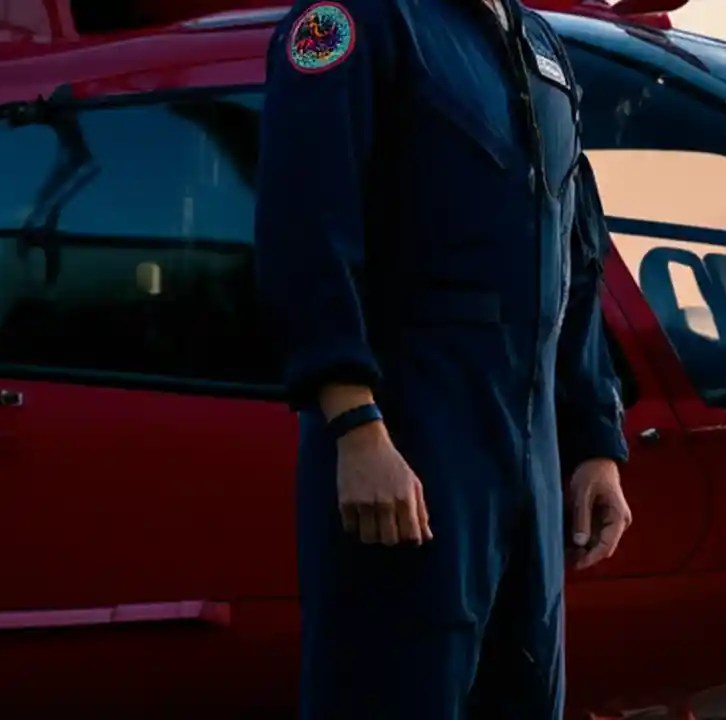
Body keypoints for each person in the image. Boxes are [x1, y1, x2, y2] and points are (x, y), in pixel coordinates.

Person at [253, 1, 633, 717]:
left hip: (531, 471)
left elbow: (574, 262)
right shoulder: (357, 21)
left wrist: (594, 443)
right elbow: (304, 230)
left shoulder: (538, 44)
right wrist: (356, 426)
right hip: (414, 446)